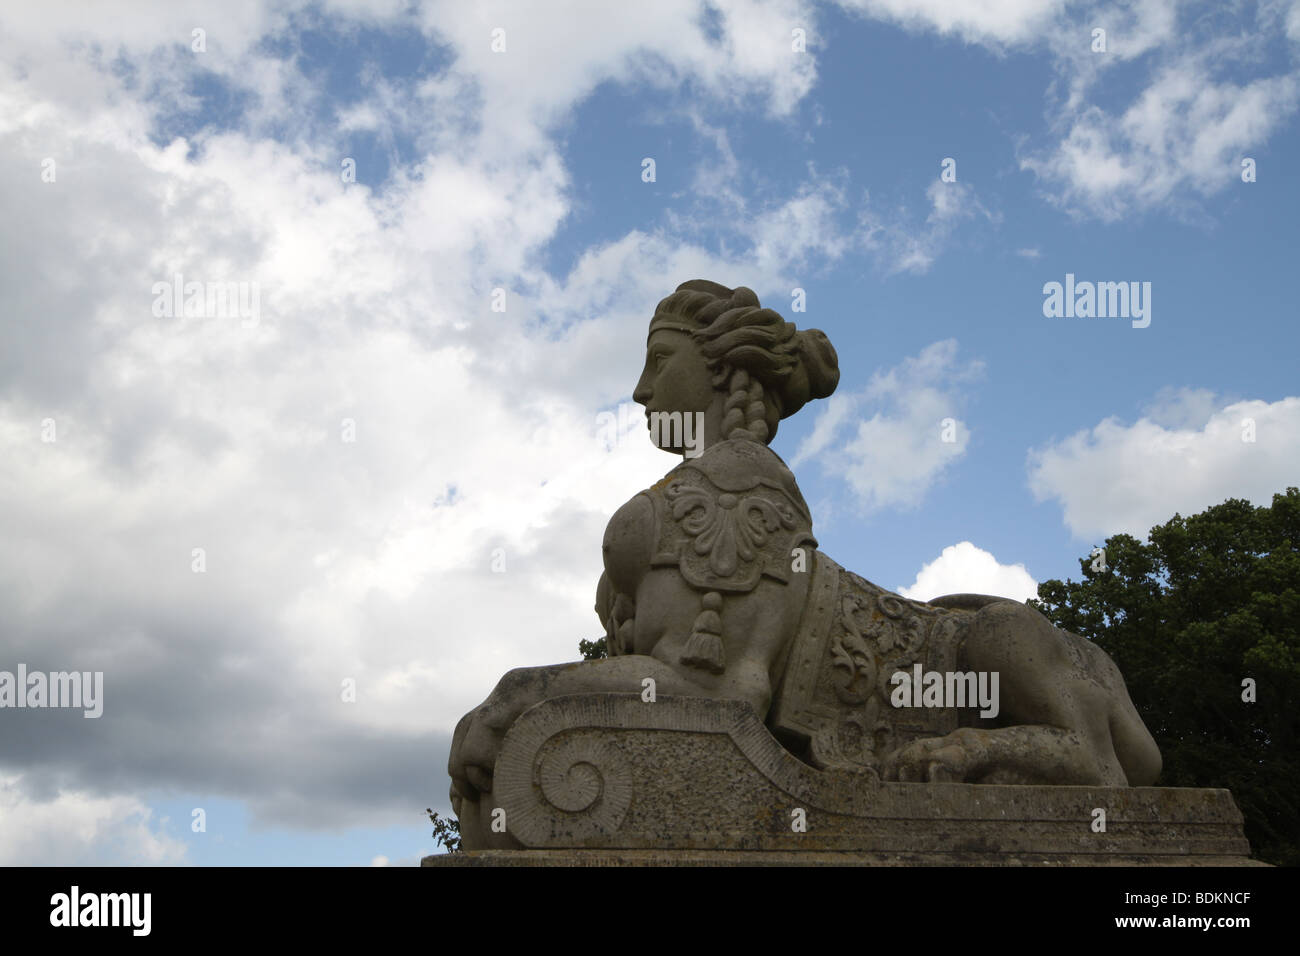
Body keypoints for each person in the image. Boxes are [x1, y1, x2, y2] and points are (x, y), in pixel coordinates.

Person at [447, 280, 1160, 850]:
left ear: (722, 369)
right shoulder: (696, 497)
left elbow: (721, 692)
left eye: (661, 362)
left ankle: (1073, 746)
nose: (641, 390)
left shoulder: (743, 495)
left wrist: (518, 694)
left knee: (997, 631)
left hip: (953, 675)